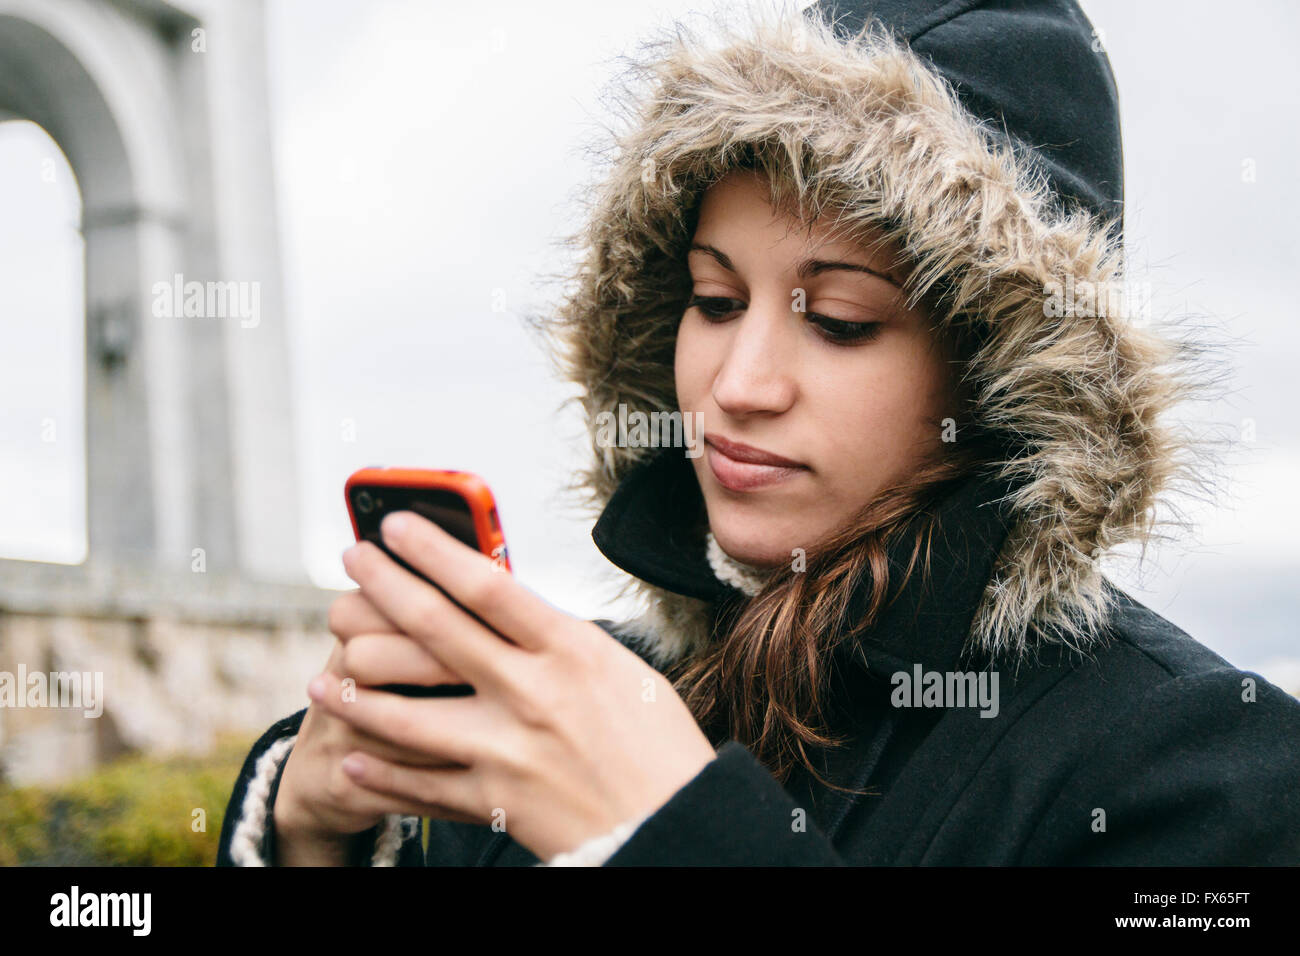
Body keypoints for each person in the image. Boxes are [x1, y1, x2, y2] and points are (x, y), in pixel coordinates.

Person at [216, 0, 1300, 867]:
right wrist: (315, 837)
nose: (736, 385)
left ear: (1001, 368)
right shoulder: (566, 699)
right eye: (714, 299)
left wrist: (664, 828)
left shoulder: (1205, 769)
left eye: (838, 320)